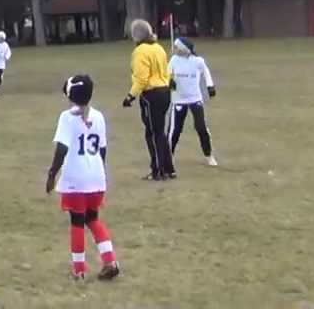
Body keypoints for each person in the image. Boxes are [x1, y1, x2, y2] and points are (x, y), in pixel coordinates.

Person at [46, 74, 121, 281]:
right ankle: (110, 261)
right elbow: (102, 150)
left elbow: (61, 148)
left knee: (77, 222)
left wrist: (52, 174)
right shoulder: (98, 116)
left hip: (76, 179)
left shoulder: (66, 117)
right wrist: (100, 172)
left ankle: (78, 270)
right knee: (93, 219)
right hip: (96, 177)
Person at [122, 19, 176, 181]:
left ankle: (158, 171)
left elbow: (141, 78)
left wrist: (130, 96)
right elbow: (166, 70)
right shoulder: (158, 48)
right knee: (160, 131)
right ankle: (169, 168)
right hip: (165, 91)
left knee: (152, 133)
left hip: (151, 94)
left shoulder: (140, 52)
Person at [169, 38, 217, 166]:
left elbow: (206, 72)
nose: (175, 49)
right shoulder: (174, 60)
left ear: (185, 49)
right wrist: (169, 80)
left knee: (201, 127)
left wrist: (210, 86)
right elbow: (167, 72)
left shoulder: (198, 61)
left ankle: (209, 155)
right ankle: (169, 156)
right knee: (175, 129)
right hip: (178, 99)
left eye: (177, 47)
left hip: (195, 98)